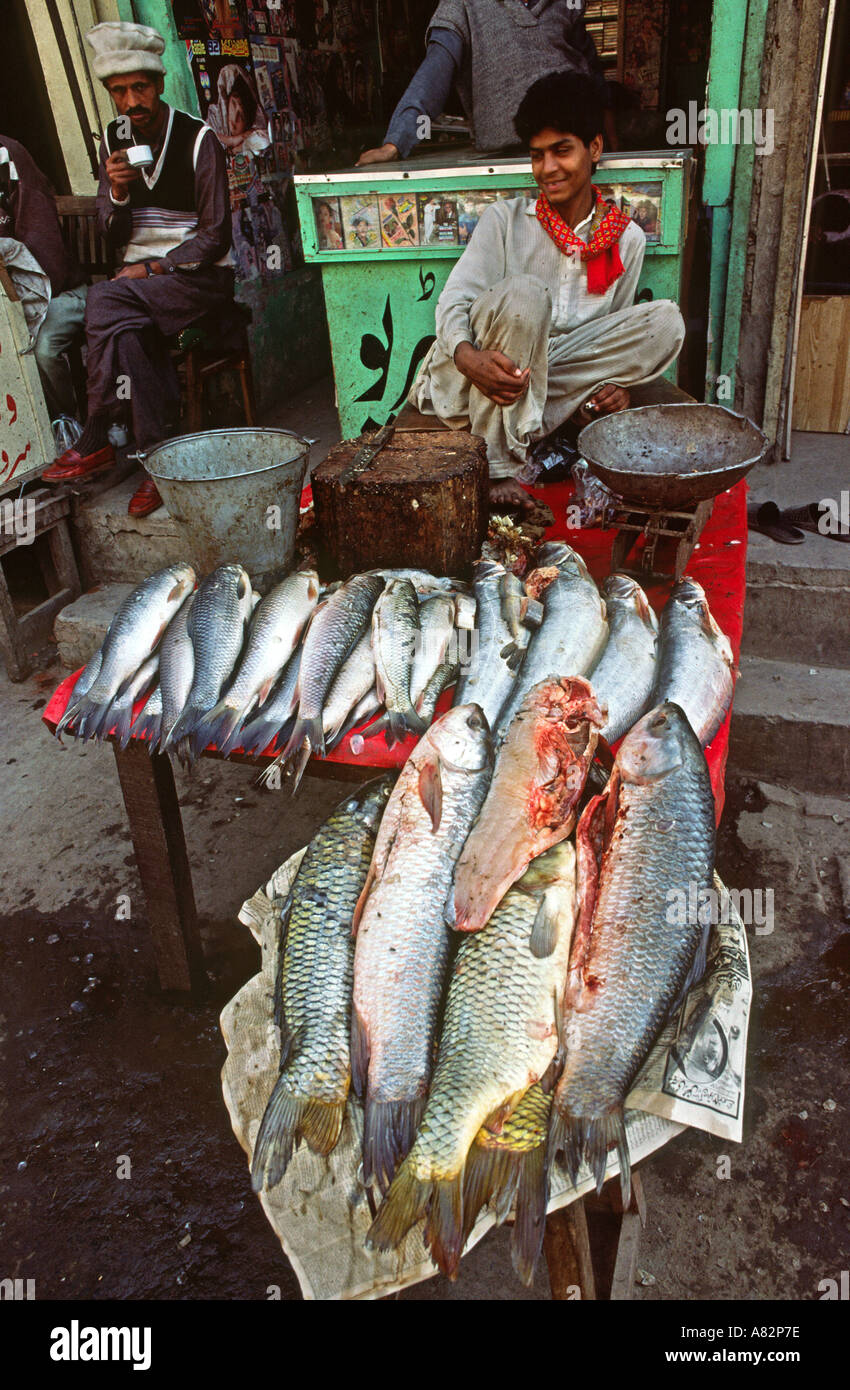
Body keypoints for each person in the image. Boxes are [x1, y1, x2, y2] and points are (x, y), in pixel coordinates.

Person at [408, 70, 686, 510]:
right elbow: (454, 301)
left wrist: (614, 387)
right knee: (525, 296)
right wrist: (468, 356)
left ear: (594, 148)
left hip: (549, 379)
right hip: (480, 383)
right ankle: (498, 467)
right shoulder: (505, 220)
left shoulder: (627, 240)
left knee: (666, 322)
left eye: (562, 151)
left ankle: (537, 415)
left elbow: (608, 341)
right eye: (537, 156)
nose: (548, 168)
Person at [42, 20, 235, 519]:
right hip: (139, 291)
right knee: (126, 335)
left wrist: (153, 267)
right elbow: (111, 230)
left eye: (140, 88)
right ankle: (156, 461)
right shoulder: (115, 137)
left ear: (160, 84)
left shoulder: (199, 140)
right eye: (119, 91)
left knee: (106, 299)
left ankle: (95, 434)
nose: (131, 101)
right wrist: (118, 192)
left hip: (197, 279)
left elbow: (217, 236)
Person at [358, 0, 610, 165]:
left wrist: (610, 142)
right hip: (505, 158)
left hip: (573, 156)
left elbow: (591, 75)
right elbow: (435, 72)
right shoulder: (462, 5)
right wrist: (396, 142)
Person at [0, 136, 87, 421]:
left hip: (59, 292)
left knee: (41, 348)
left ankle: (67, 424)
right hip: (10, 301)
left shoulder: (8, 156)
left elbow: (46, 252)